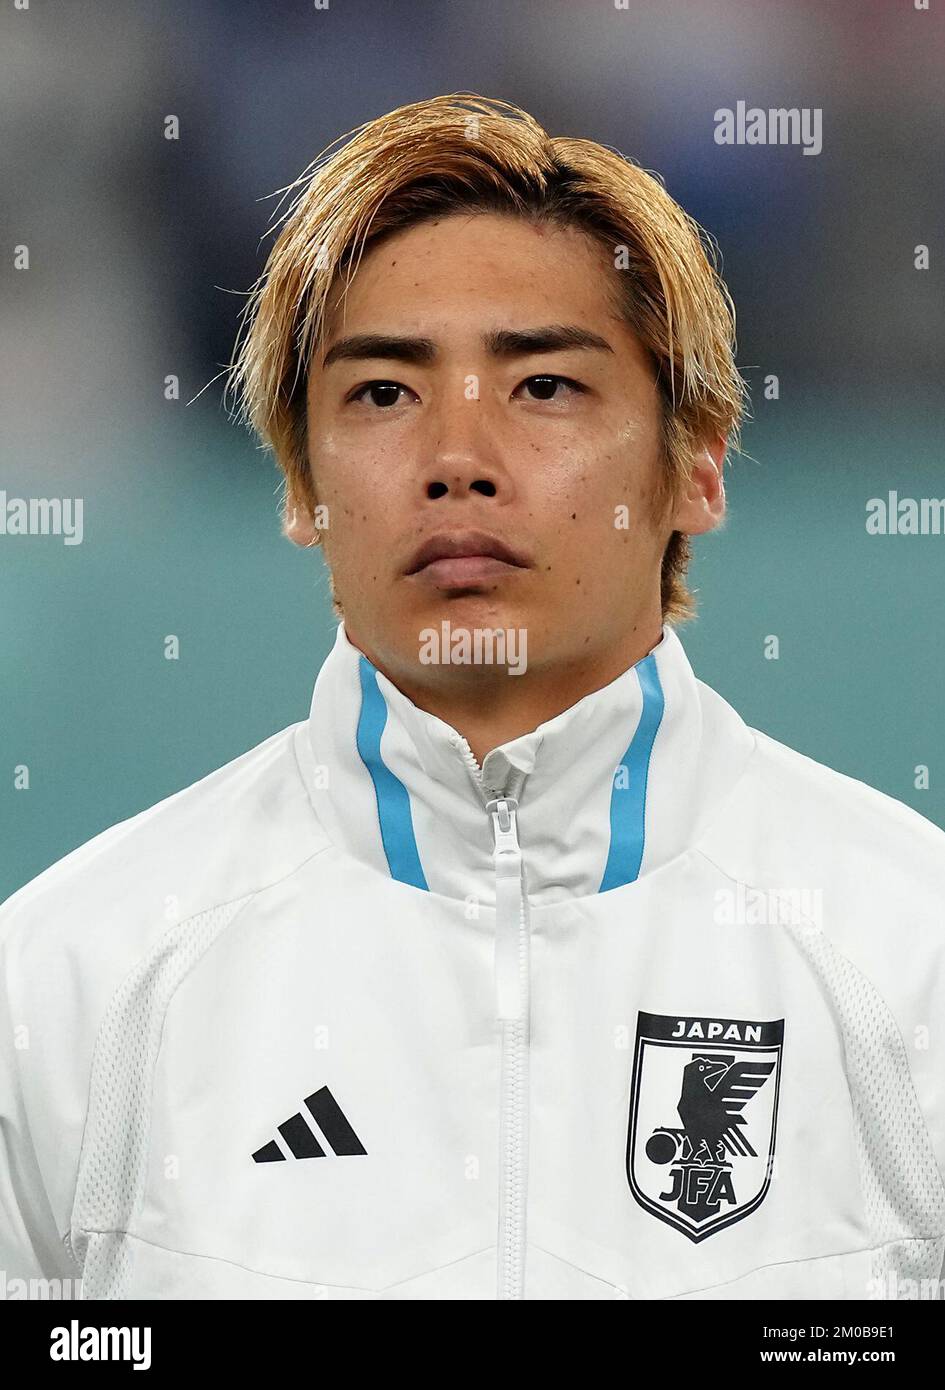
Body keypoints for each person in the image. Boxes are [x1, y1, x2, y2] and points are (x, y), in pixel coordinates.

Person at [2, 93, 943, 1302]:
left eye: (543, 385)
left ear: (697, 464)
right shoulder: (72, 976)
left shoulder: (906, 957)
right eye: (384, 394)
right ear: (300, 486)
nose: (459, 454)